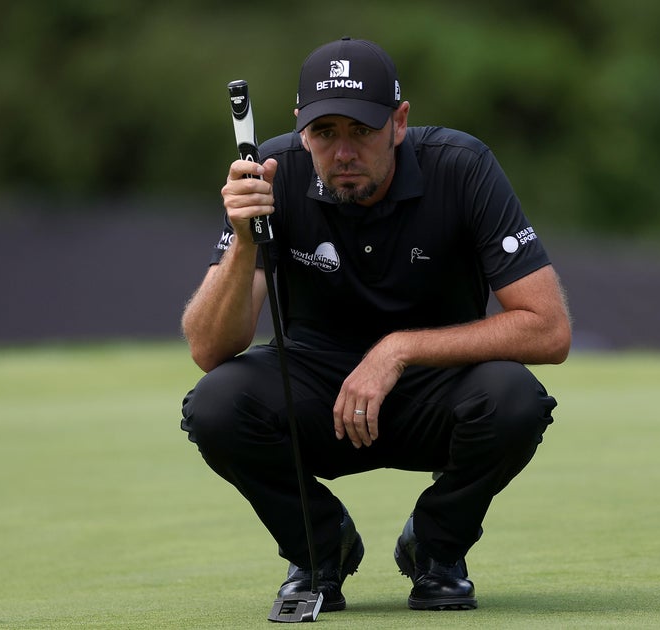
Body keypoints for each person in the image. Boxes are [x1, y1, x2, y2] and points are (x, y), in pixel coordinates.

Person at [179, 37, 570, 613]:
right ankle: (321, 550)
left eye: (361, 130)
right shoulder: (274, 172)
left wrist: (398, 349)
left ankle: (435, 549)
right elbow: (210, 347)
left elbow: (548, 329)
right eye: (324, 132)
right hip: (316, 393)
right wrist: (243, 240)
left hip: (436, 390)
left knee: (516, 399)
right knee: (215, 404)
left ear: (399, 122)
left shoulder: (462, 167)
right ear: (301, 130)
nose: (343, 152)